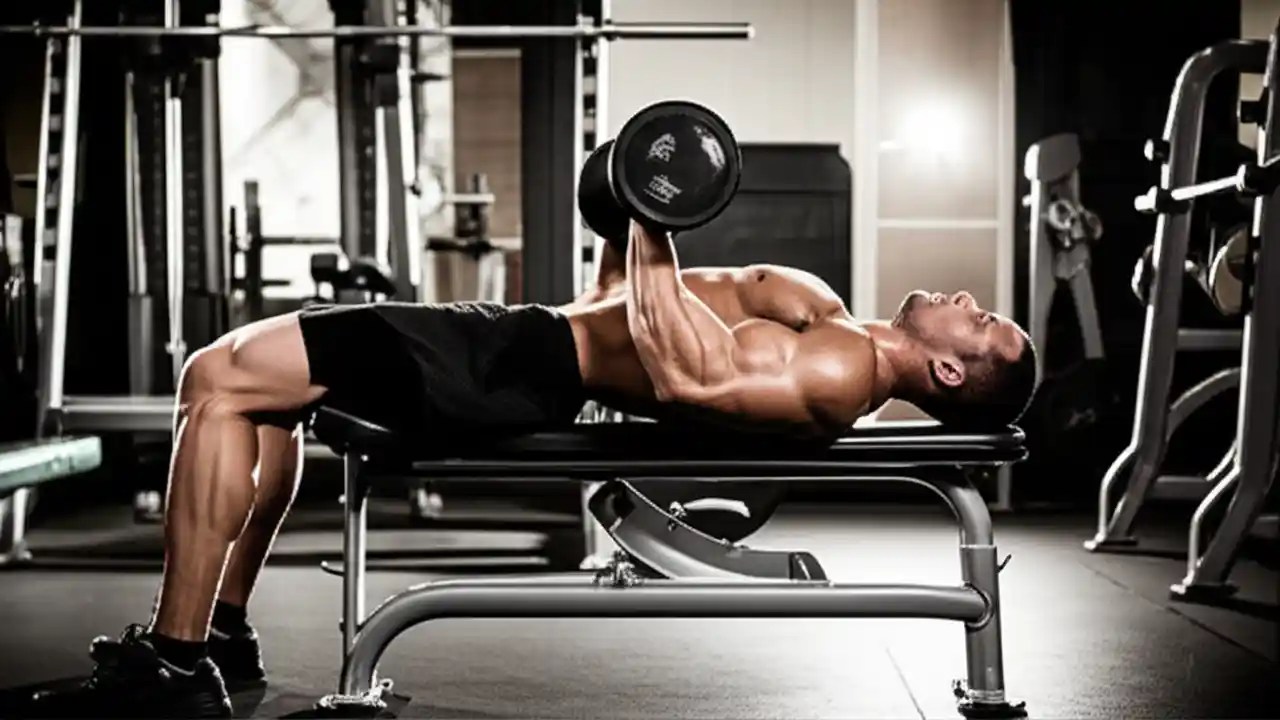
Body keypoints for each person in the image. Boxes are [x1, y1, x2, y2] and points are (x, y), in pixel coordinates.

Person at [29, 221, 1037, 718]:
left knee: (219, 376)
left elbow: (686, 373)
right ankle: (222, 634)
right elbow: (626, 305)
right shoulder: (838, 324)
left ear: (950, 370)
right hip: (524, 342)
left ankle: (175, 660)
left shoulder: (841, 369)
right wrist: (625, 219)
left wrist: (653, 215)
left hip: (511, 369)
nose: (965, 299)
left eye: (981, 321)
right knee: (264, 392)